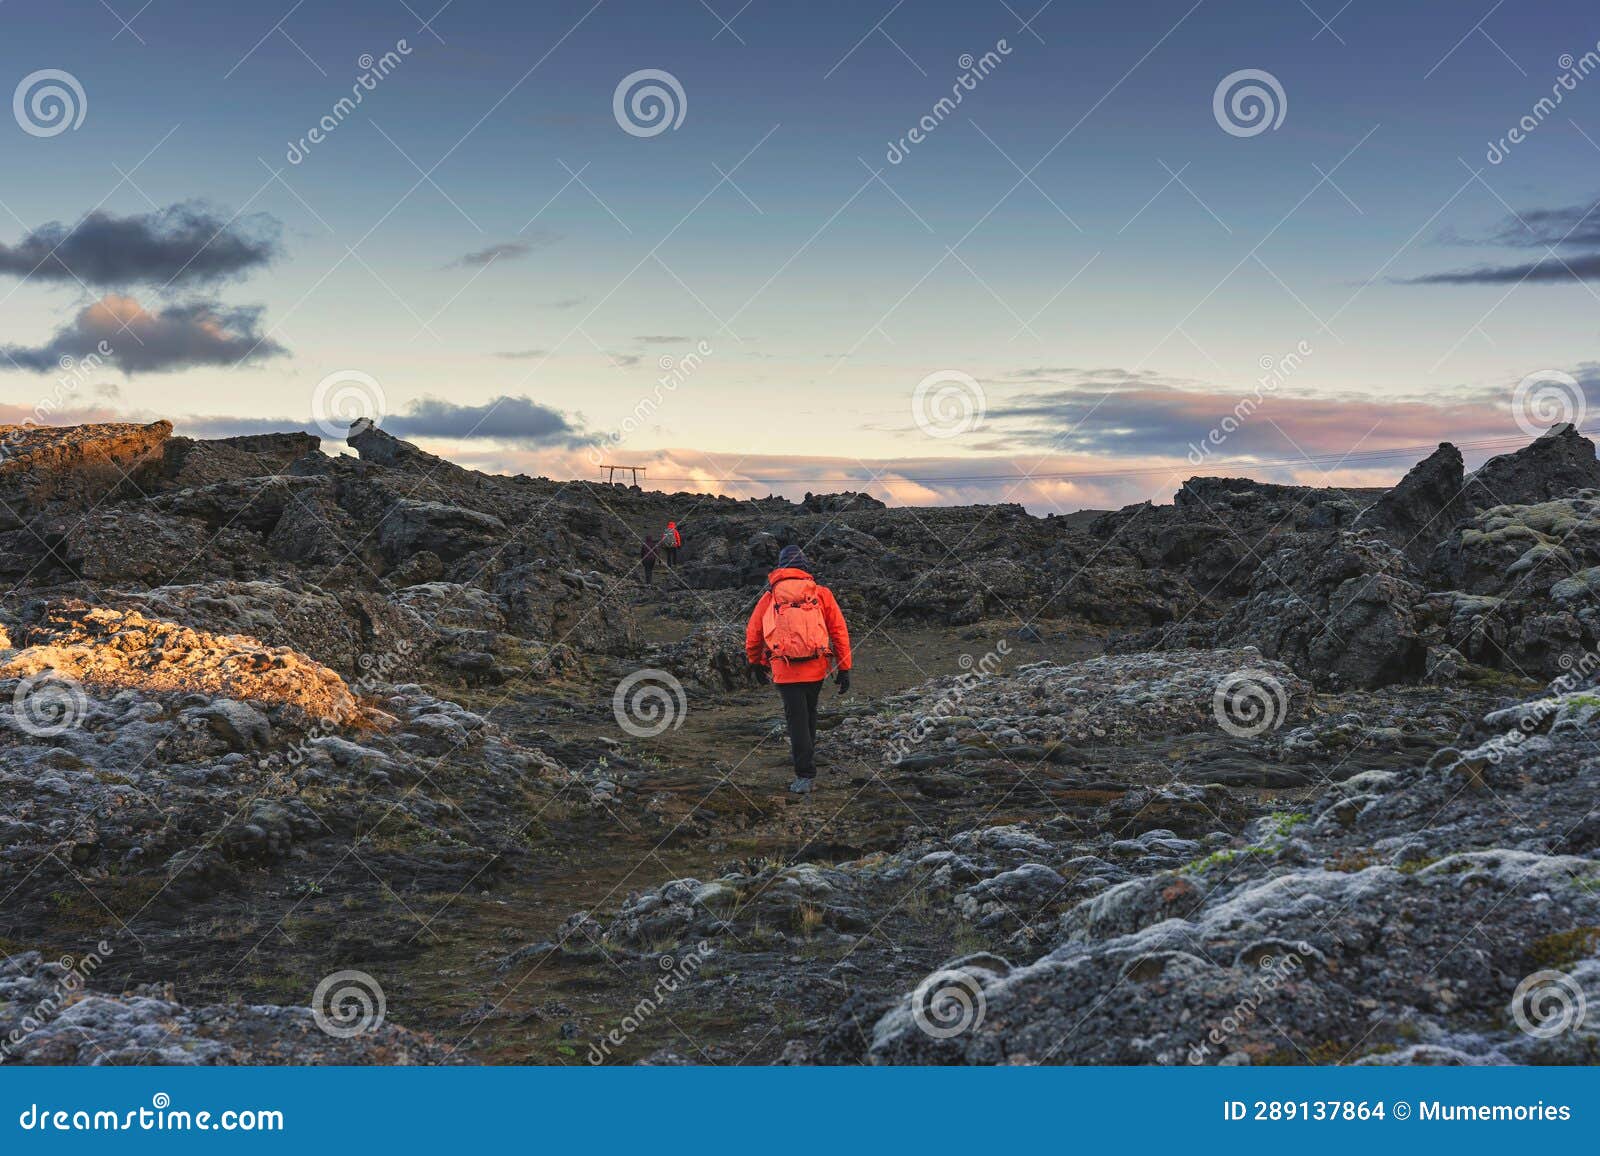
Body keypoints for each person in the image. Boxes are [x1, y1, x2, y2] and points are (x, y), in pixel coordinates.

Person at [744, 545, 852, 795]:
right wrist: (844, 667)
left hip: (784, 668)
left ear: (781, 567)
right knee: (809, 713)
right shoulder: (821, 594)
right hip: (816, 667)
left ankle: (804, 774)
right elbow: (839, 631)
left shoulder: (770, 596)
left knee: (796, 719)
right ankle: (807, 763)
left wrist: (755, 662)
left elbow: (754, 633)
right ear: (805, 567)